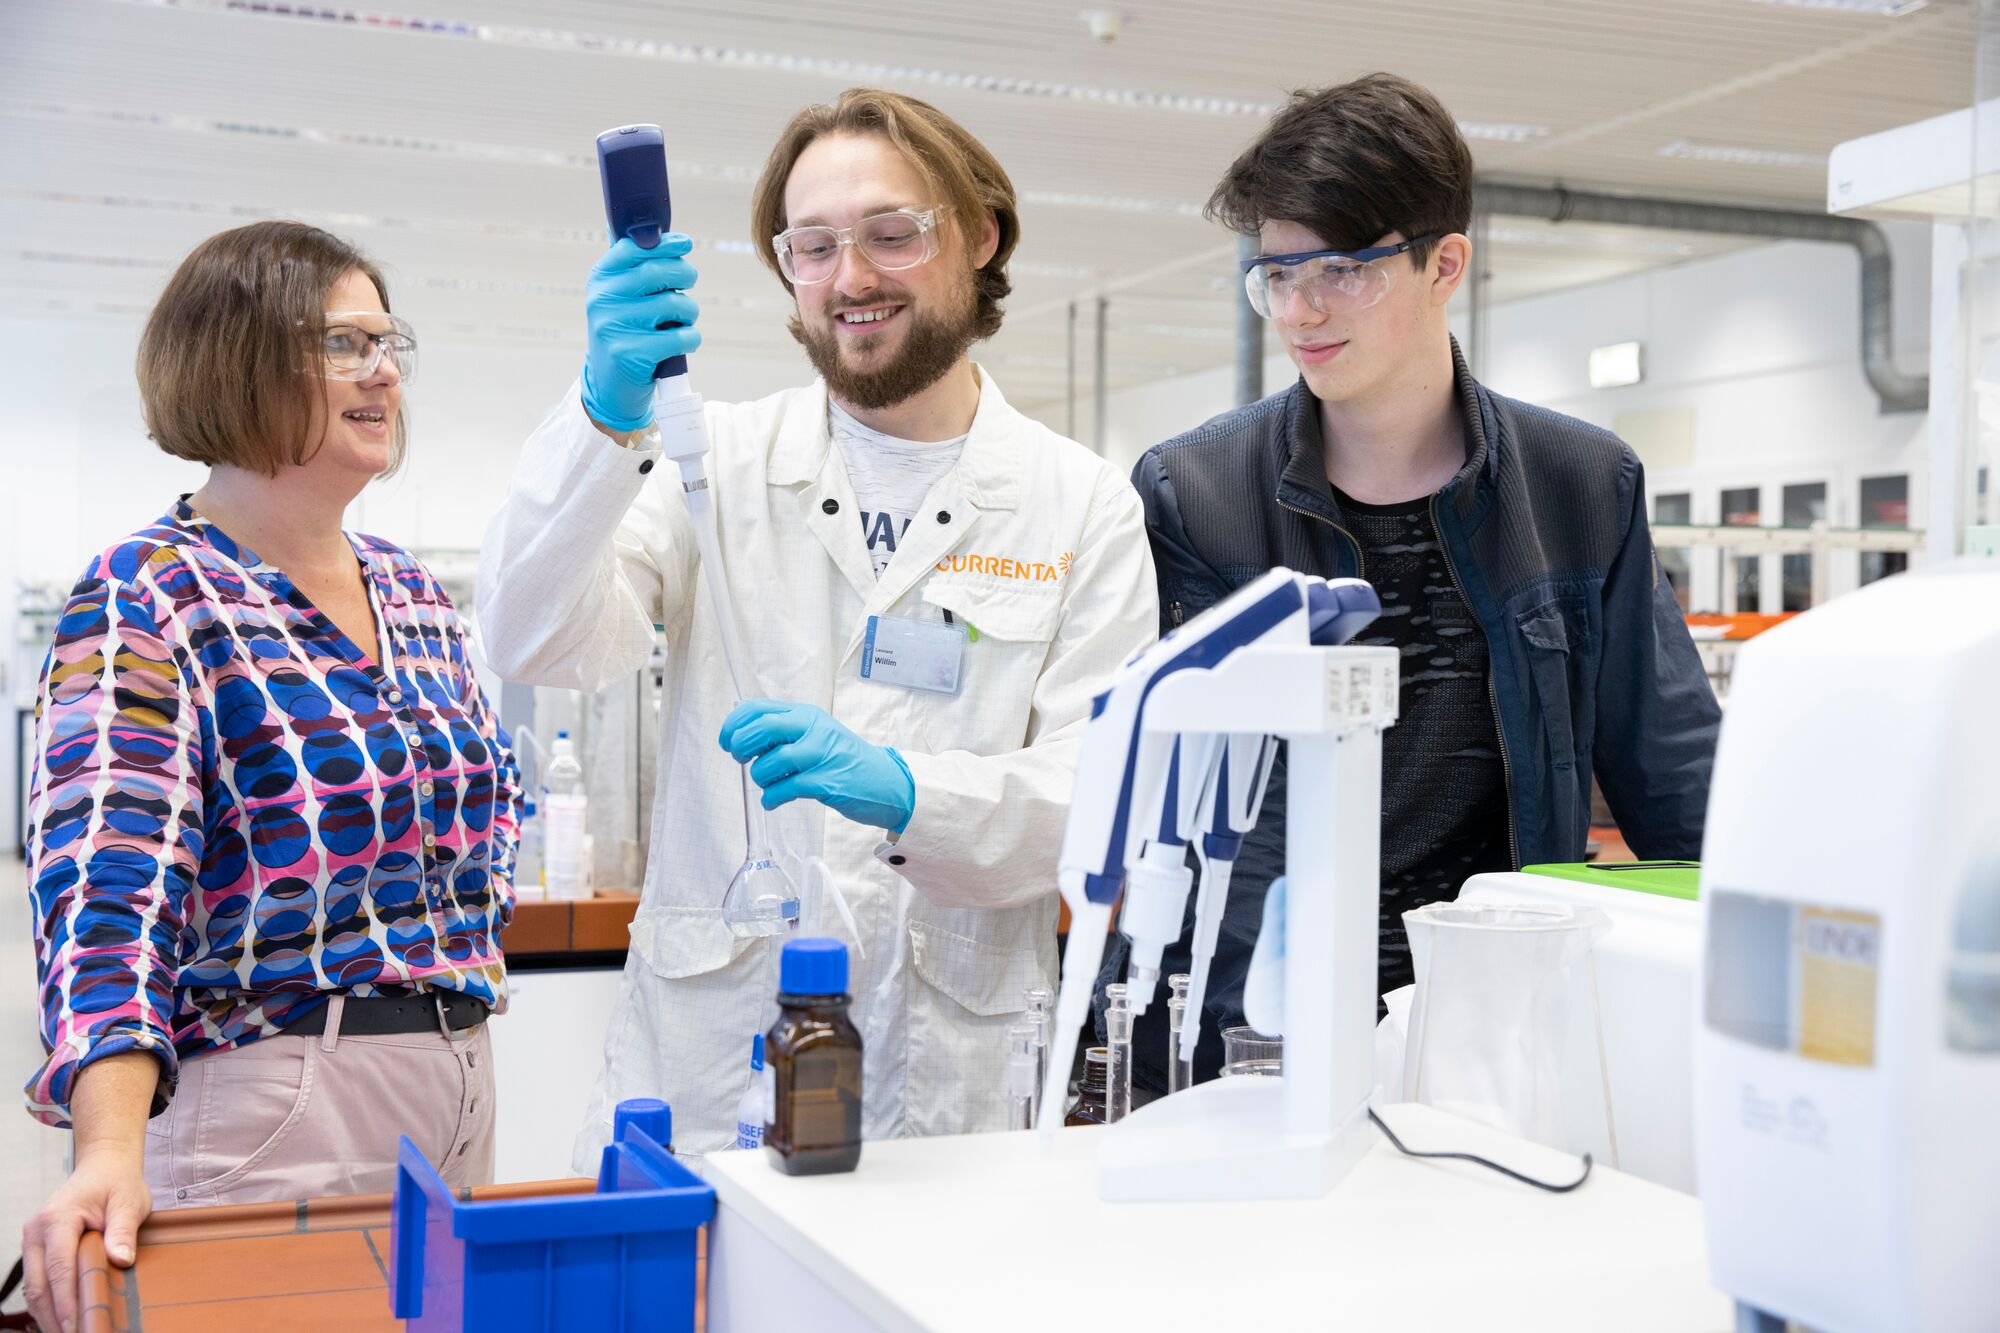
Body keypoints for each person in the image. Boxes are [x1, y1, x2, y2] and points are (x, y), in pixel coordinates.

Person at [478, 88, 1156, 1159]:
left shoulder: (1078, 504)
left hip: (950, 1103)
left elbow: (1106, 803)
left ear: (978, 238)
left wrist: (911, 793)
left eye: (893, 234)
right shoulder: (715, 466)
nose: (851, 278)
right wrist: (601, 420)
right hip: (708, 1079)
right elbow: (531, 640)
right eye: (813, 246)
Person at [1113, 73, 1720, 1088]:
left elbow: (1671, 780)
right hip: (1254, 1024)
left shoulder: (1578, 486)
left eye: (1342, 271)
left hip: (1489, 1024)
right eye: (1275, 274)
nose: (1299, 311)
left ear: (1446, 263)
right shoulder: (1193, 491)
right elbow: (1172, 797)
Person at [20, 221, 521, 1333]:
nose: (384, 370)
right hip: (282, 1091)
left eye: (389, 341)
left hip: (456, 1077)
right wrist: (107, 1147)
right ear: (238, 360)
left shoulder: (413, 593)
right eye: (345, 343)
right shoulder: (152, 593)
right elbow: (107, 889)